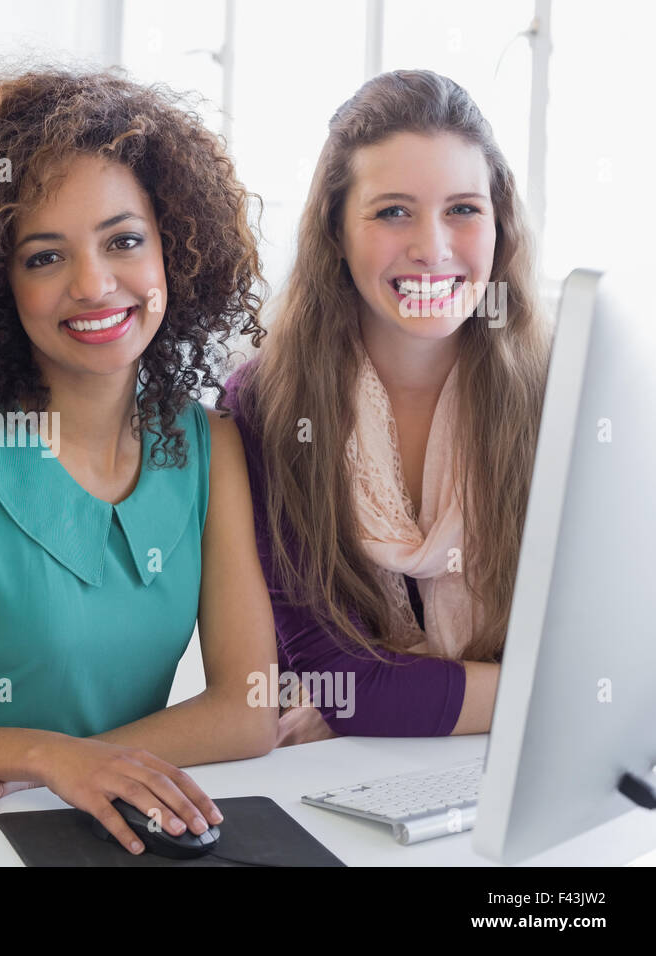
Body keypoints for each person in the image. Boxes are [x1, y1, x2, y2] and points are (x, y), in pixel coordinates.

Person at [0, 67, 278, 856]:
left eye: (124, 241)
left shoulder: (212, 448)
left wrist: (75, 775)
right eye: (44, 257)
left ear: (175, 246)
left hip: (91, 824)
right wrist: (49, 761)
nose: (94, 285)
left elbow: (248, 705)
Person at [220, 70, 550, 747]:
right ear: (335, 233)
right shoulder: (266, 405)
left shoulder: (562, 392)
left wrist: (398, 695)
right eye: (393, 211)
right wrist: (545, 685)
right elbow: (353, 689)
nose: (433, 248)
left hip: (525, 768)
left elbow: (612, 652)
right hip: (335, 790)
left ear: (500, 226)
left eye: (463, 209)